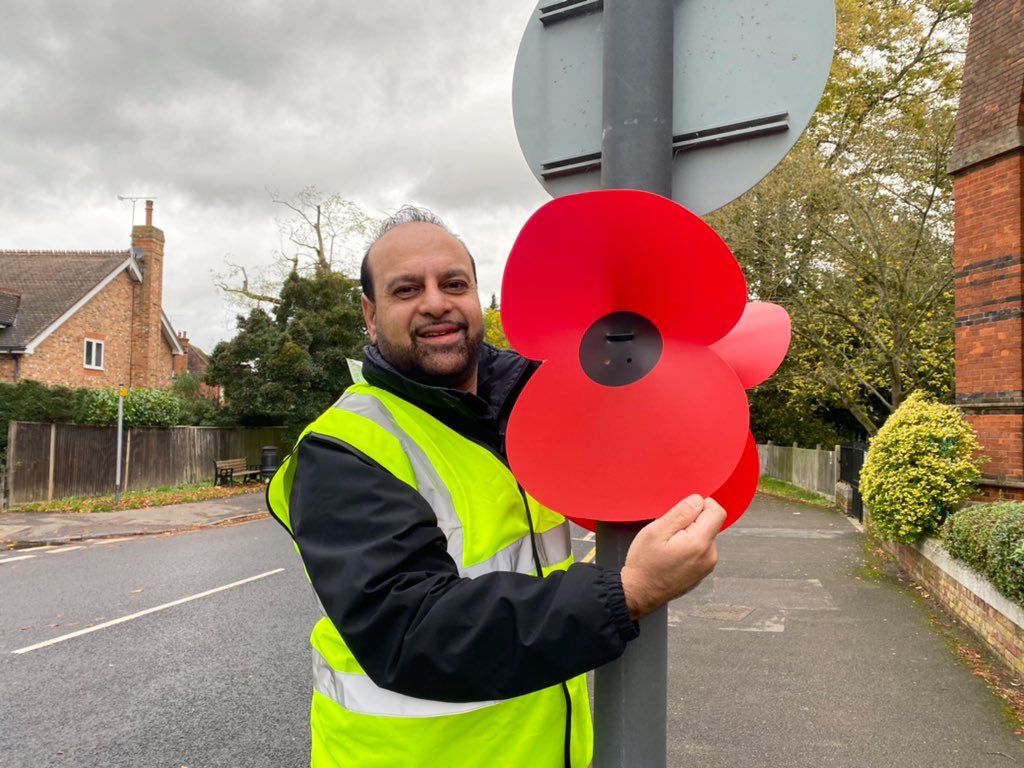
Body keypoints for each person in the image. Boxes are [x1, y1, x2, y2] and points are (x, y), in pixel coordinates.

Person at [267, 205, 726, 768]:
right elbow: (412, 630)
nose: (436, 302)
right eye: (407, 288)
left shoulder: (534, 406)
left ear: (478, 297)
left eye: (453, 283)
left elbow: (644, 441)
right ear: (370, 313)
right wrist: (627, 592)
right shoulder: (342, 448)